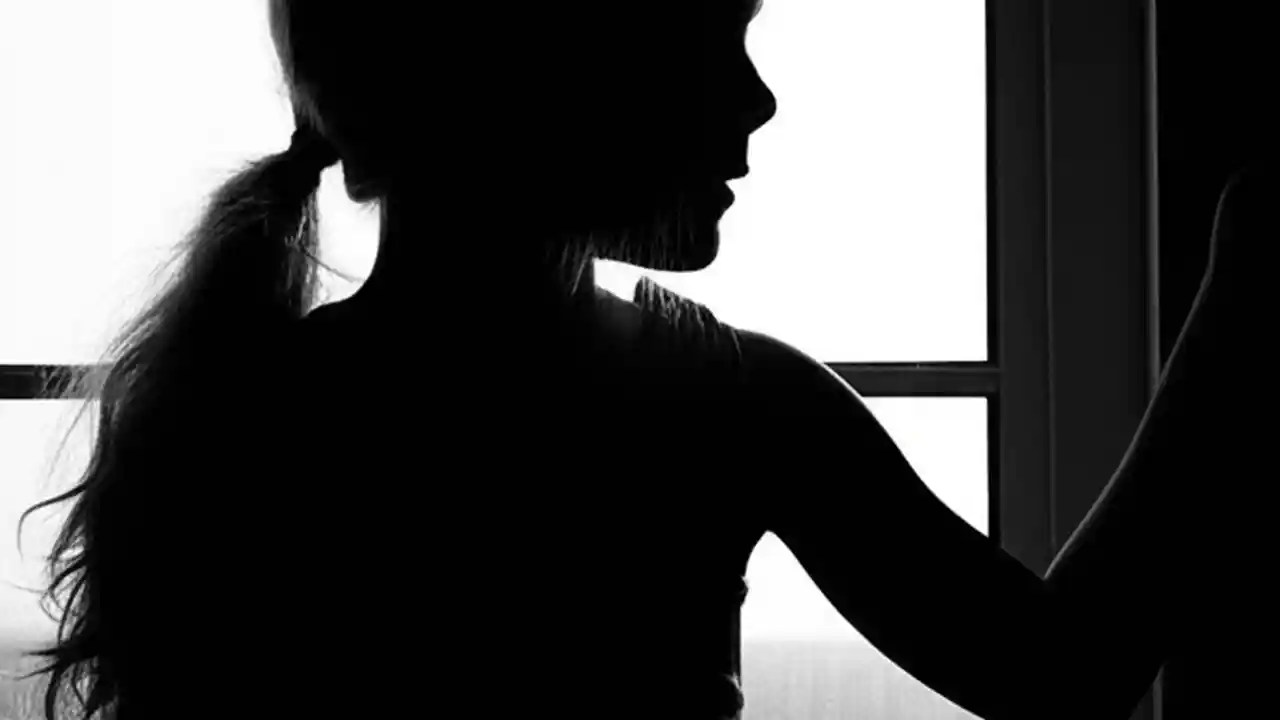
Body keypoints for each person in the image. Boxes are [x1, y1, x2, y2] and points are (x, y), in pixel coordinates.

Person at [14, 2, 1268, 718]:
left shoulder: (236, 414)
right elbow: (1063, 679)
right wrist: (1244, 291)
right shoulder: (730, 404)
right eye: (712, 32)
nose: (756, 98)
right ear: (547, 65)